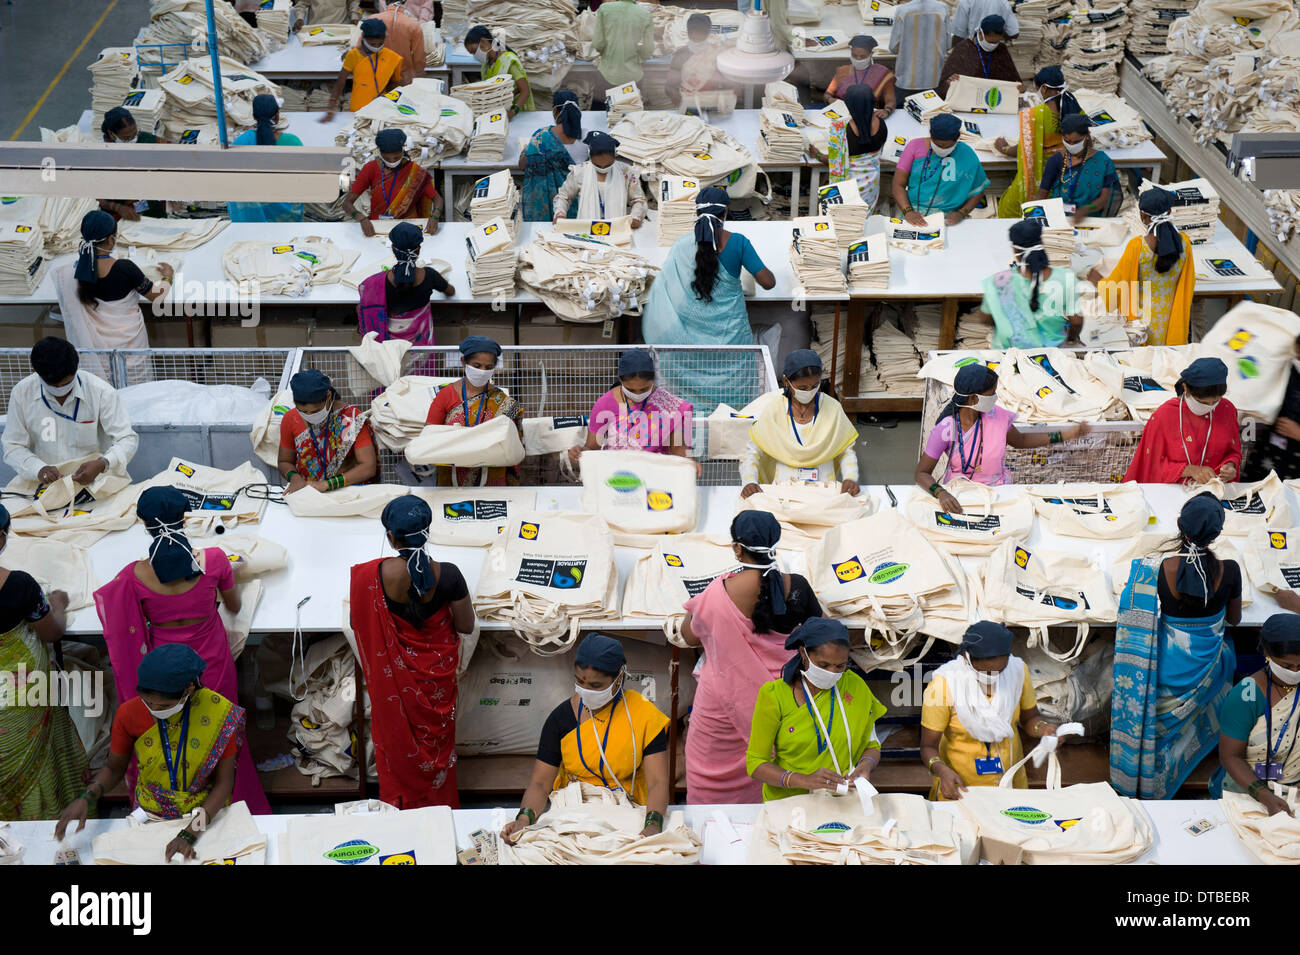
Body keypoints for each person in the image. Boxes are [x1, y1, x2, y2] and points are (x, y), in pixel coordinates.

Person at [95, 491, 269, 814]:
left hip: (166, 671)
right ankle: (229, 802)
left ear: (143, 524)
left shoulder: (135, 576)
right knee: (221, 734)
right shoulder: (215, 561)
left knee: (172, 735)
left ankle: (174, 802)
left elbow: (124, 617)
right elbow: (234, 605)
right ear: (186, 518)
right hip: (213, 664)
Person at [679, 512, 825, 803]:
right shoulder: (797, 588)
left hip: (720, 713)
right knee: (776, 794)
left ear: (737, 548)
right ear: (775, 543)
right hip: (782, 709)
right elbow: (816, 631)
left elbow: (688, 636)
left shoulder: (717, 593)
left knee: (711, 798)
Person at [56, 645, 245, 860]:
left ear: (189, 689)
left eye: (164, 706)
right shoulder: (129, 714)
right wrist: (86, 797)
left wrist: (190, 834)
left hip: (203, 814)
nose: (155, 710)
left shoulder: (218, 715)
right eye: (148, 702)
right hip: (150, 813)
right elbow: (113, 768)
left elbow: (223, 784)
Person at [1111, 494, 1241, 799]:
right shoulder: (1231, 570)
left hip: (1169, 667)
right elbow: (1233, 620)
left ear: (1180, 526)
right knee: (1229, 653)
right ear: (1217, 535)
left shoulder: (1157, 570)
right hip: (1209, 667)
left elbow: (1137, 615)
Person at [350, 496, 476, 809]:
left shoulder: (371, 577)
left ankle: (401, 810)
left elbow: (358, 622)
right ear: (427, 532)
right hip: (437, 684)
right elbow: (466, 626)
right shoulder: (449, 575)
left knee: (396, 743)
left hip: (394, 688)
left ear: (390, 537)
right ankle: (440, 806)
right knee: (437, 744)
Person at [502, 634, 670, 838]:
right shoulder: (560, 720)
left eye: (596, 685)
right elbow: (540, 783)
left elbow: (657, 783)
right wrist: (523, 819)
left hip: (629, 809)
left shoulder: (645, 716)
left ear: (619, 679)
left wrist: (652, 825)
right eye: (580, 682)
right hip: (574, 813)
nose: (586, 691)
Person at [641, 187, 776, 411]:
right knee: (733, 403)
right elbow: (768, 282)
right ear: (724, 213)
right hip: (731, 343)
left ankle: (694, 430)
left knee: (691, 404)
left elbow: (667, 292)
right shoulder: (738, 243)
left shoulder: (681, 246)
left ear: (696, 213)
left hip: (691, 348)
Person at [0, 503, 84, 821]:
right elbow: (52, 633)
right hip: (22, 691)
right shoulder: (18, 586)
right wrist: (58, 603)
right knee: (34, 764)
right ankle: (42, 822)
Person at [922, 621, 1068, 799]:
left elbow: (1030, 718)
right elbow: (928, 746)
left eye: (1000, 670)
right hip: (961, 788)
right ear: (966, 657)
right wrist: (941, 770)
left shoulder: (1017, 672)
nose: (993, 677)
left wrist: (1043, 728)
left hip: (1010, 784)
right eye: (985, 672)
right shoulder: (944, 685)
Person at [746, 618, 887, 800]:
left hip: (841, 799)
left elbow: (872, 745)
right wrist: (802, 780)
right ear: (803, 654)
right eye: (823, 665)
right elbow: (755, 764)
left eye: (840, 666)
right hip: (791, 803)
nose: (832, 672)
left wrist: (865, 766)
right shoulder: (775, 696)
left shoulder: (854, 686)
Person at [914, 362, 1089, 496]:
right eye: (992, 394)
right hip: (959, 494)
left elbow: (1022, 441)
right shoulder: (946, 429)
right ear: (974, 398)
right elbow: (922, 473)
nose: (995, 398)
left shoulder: (997, 416)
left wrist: (1066, 434)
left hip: (999, 492)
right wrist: (941, 493)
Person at [2, 337, 138, 487]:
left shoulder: (101, 392)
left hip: (96, 482)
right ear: (37, 373)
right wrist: (38, 469)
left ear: (76, 368)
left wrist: (103, 463)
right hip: (44, 483)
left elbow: (127, 439)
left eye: (66, 383)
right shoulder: (22, 393)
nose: (60, 389)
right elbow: (13, 445)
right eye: (53, 386)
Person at [740, 350, 861, 498]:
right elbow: (752, 451)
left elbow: (846, 450)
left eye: (815, 386)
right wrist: (749, 481)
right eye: (802, 388)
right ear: (786, 381)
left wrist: (850, 477)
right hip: (784, 490)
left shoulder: (833, 408)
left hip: (823, 489)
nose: (809, 392)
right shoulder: (774, 411)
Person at [53, 211, 170, 359]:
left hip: (99, 352)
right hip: (130, 349)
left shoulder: (73, 272)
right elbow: (157, 296)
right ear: (110, 239)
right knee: (137, 382)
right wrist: (168, 276)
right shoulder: (125, 268)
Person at [1214, 612, 1300, 812]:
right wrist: (1265, 796)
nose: (1294, 672)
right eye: (1287, 666)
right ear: (1267, 655)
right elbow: (1230, 757)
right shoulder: (1246, 696)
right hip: (1248, 788)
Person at [1089, 187, 1195, 345]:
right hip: (1171, 320)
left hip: (1141, 323)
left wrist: (1096, 279)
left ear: (1142, 216)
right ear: (1170, 211)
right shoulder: (1185, 243)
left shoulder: (1138, 247)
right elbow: (1189, 281)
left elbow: (1116, 288)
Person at [568, 348, 698, 473]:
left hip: (657, 478)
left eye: (644, 389)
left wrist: (689, 463)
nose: (637, 394)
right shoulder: (605, 404)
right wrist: (579, 452)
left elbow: (679, 451)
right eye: (630, 390)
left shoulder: (671, 406)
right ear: (621, 380)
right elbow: (592, 448)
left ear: (653, 380)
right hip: (616, 478)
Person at [422, 336, 524, 487]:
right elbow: (429, 435)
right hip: (451, 476)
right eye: (477, 365)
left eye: (488, 367)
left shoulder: (504, 402)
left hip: (492, 476)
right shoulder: (446, 395)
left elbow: (514, 444)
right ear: (464, 362)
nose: (482, 371)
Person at [1123, 357, 1240, 484]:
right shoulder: (1164, 416)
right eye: (1202, 402)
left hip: (1215, 489)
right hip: (1172, 490)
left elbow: (1233, 451)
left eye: (1215, 401)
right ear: (1186, 388)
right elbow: (1150, 465)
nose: (1209, 406)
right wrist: (1189, 470)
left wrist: (1231, 465)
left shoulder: (1227, 409)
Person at [970, 217, 1083, 348]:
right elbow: (1076, 321)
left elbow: (985, 319)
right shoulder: (1065, 277)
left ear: (1014, 250)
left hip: (1009, 355)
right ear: (1042, 245)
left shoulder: (998, 282)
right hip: (1051, 354)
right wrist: (1071, 340)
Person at [995, 65, 1082, 216]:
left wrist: (1004, 148)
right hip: (1069, 179)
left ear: (1043, 89)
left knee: (1008, 208)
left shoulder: (1035, 116)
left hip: (1042, 179)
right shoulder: (1076, 109)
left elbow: (1024, 149)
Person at [278, 369, 379, 493]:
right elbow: (284, 461)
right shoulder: (291, 419)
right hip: (308, 493)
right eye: (303, 411)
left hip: (347, 492)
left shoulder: (351, 419)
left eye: (315, 411)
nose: (309, 415)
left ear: (329, 397)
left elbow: (368, 467)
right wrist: (294, 478)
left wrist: (327, 484)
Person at [356, 222, 454, 347]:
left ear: (393, 249)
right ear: (418, 250)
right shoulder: (429, 276)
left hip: (391, 350)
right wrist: (442, 281)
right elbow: (450, 291)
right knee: (424, 368)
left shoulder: (377, 282)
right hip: (421, 349)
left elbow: (363, 307)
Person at [892, 113, 991, 227]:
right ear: (931, 136)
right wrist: (908, 211)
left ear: (957, 139)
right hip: (913, 210)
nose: (942, 149)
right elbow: (898, 184)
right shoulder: (914, 147)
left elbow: (978, 189)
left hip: (949, 216)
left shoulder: (966, 153)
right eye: (938, 145)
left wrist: (961, 213)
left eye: (947, 146)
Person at [343, 129, 443, 235]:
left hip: (409, 227)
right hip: (378, 227)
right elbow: (347, 203)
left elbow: (437, 199)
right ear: (380, 153)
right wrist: (361, 218)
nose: (392, 161)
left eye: (396, 157)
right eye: (387, 158)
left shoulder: (414, 172)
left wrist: (435, 216)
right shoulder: (370, 169)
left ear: (402, 151)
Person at [227, 94, 305, 223]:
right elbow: (302, 180)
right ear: (277, 115)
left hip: (251, 216)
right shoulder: (292, 141)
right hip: (286, 215)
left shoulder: (241, 141)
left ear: (253, 116)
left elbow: (233, 180)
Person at [1034, 114, 1121, 219]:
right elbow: (1042, 192)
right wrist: (1034, 211)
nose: (1071, 145)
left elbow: (1104, 199)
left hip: (1089, 218)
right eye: (1067, 141)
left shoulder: (1102, 162)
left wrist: (1085, 210)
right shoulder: (1055, 160)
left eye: (1076, 142)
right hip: (1058, 216)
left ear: (1087, 136)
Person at [552, 131, 647, 227]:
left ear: (615, 156)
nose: (603, 169)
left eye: (608, 165)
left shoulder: (626, 172)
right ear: (589, 156)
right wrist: (560, 213)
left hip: (617, 228)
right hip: (587, 228)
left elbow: (638, 199)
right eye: (597, 166)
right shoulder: (580, 172)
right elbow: (564, 197)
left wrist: (635, 216)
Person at [520, 90, 586, 222]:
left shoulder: (541, 137)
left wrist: (526, 149)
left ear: (555, 112)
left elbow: (523, 165)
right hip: (578, 204)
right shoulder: (587, 138)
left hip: (548, 206)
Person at [323, 18, 404, 119]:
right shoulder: (353, 55)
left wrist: (389, 102)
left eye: (380, 44)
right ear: (363, 38)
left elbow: (396, 85)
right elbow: (340, 82)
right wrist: (331, 105)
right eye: (373, 44)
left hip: (382, 108)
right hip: (358, 108)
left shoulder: (394, 58)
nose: (377, 47)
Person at [1244, 336, 1300, 481]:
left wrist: (1298, 433)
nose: (1297, 359)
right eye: (1296, 354)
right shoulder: (1289, 370)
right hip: (1267, 451)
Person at [99, 106, 163, 221]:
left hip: (145, 202)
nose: (134, 140)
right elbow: (92, 194)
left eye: (135, 134)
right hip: (118, 211)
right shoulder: (102, 156)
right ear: (112, 134)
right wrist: (118, 208)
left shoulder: (146, 140)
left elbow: (172, 158)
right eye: (127, 138)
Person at [937, 14, 1021, 98]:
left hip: (994, 101)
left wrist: (1019, 87)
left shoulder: (1001, 49)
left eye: (996, 42)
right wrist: (950, 82)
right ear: (980, 33)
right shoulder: (964, 49)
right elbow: (943, 85)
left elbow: (1013, 80)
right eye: (990, 42)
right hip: (966, 101)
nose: (993, 45)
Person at [667, 14, 734, 110]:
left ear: (707, 33)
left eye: (700, 32)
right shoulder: (681, 55)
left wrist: (723, 101)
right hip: (689, 105)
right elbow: (670, 87)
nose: (696, 35)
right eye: (693, 32)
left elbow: (728, 84)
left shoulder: (716, 54)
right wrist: (684, 104)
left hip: (712, 105)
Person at [464, 25, 534, 116]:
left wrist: (513, 112)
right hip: (499, 112)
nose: (475, 56)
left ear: (483, 42)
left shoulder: (508, 61)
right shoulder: (486, 66)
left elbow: (525, 90)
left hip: (519, 114)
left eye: (474, 51)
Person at [889, 0, 951, 100]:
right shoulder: (943, 9)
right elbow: (948, 44)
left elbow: (893, 47)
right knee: (931, 114)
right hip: (934, 80)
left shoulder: (902, 10)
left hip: (907, 81)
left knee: (903, 114)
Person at [841, 85, 888, 212]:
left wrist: (817, 155)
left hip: (848, 187)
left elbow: (835, 161)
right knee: (865, 216)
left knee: (850, 218)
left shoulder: (842, 131)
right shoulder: (882, 125)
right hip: (871, 185)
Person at [825, 35, 896, 114]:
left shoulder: (883, 74)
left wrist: (887, 111)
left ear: (871, 54)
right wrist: (829, 99)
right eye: (854, 55)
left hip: (870, 116)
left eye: (862, 56)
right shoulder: (842, 71)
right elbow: (827, 94)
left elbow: (890, 100)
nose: (858, 59)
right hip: (842, 114)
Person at [593, 0, 655, 88]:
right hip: (634, 75)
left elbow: (597, 43)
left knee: (604, 101)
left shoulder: (604, 8)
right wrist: (640, 57)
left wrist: (607, 54)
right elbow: (648, 49)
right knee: (632, 102)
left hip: (607, 73)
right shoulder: (645, 14)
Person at [373, 0, 427, 85]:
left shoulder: (372, 20)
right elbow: (419, 57)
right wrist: (419, 74)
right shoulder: (413, 26)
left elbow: (360, 49)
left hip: (375, 76)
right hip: (403, 78)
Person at [951, 0, 1018, 39]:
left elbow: (959, 33)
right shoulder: (1003, 2)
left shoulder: (966, 1)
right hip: (994, 51)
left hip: (972, 48)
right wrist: (996, 35)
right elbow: (1014, 33)